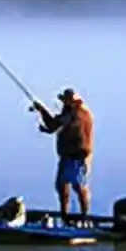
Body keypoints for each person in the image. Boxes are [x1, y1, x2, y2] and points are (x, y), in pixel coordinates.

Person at [31, 88, 94, 217]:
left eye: (65, 101)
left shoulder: (76, 114)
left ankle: (83, 216)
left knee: (77, 185)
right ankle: (70, 215)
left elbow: (54, 125)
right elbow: (57, 126)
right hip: (72, 155)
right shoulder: (81, 113)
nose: (63, 104)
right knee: (64, 184)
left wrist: (42, 110)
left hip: (76, 156)